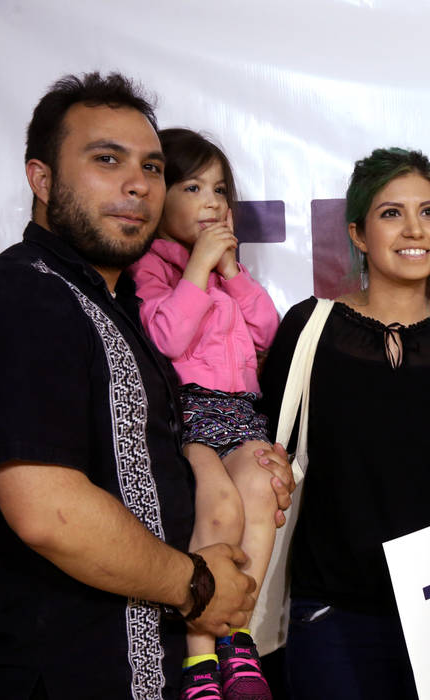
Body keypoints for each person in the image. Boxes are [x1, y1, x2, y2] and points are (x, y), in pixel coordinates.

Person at [0, 72, 293, 700]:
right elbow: (47, 512)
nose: (137, 184)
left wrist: (253, 464)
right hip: (53, 674)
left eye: (152, 166)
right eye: (106, 160)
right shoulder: (20, 295)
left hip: (159, 672)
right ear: (41, 178)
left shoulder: (127, 310)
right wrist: (196, 585)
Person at [257, 148, 430, 700]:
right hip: (331, 616)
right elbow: (265, 458)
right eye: (391, 213)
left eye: (428, 212)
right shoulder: (310, 329)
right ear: (357, 233)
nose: (414, 229)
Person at [129, 128, 282, 700]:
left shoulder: (227, 272)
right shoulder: (153, 268)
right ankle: (199, 660)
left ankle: (238, 637)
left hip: (241, 416)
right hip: (191, 417)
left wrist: (232, 271)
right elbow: (167, 335)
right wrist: (197, 266)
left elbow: (268, 330)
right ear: (159, 195)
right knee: (218, 507)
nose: (213, 201)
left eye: (220, 189)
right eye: (193, 187)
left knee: (264, 490)